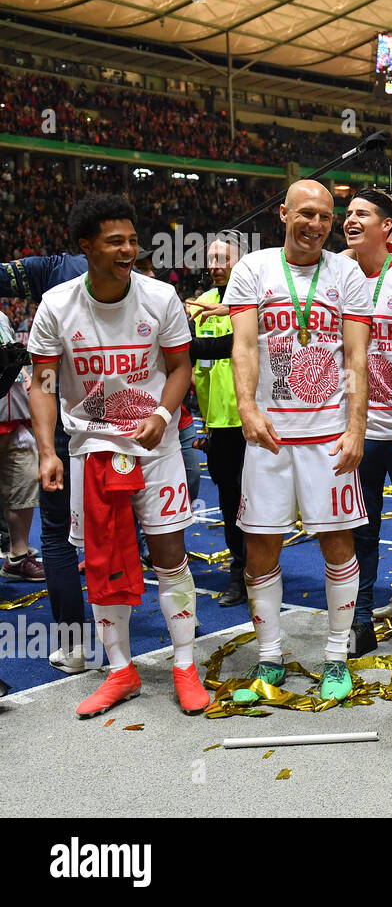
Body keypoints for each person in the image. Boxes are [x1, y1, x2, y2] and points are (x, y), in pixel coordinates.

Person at [27, 193, 208, 717]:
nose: (128, 249)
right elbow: (42, 382)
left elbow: (180, 368)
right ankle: (121, 671)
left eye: (133, 240)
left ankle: (184, 666)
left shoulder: (161, 297)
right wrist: (47, 451)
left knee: (171, 557)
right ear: (87, 247)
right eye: (115, 242)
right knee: (102, 564)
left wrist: (163, 415)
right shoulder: (57, 305)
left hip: (155, 447)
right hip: (91, 448)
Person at [224, 179, 371, 704]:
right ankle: (269, 658)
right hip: (269, 436)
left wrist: (356, 427)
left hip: (329, 435)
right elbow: (244, 347)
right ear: (283, 213)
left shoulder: (346, 271)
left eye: (325, 218)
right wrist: (246, 409)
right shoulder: (252, 269)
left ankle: (335, 657)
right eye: (305, 214)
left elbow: (357, 358)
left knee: (337, 544)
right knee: (260, 548)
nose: (315, 225)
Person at [342, 189, 392, 657]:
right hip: (357, 429)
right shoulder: (337, 277)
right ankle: (359, 622)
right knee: (361, 530)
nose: (350, 220)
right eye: (348, 213)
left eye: (361, 214)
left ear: (387, 225)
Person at [1, 252, 89, 670]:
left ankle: (75, 648)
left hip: (64, 428)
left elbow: (42, 382)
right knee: (128, 533)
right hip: (126, 430)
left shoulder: (55, 272)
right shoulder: (149, 290)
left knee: (58, 535)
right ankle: (171, 646)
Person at [187, 238, 247, 607]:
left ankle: (258, 570)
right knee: (228, 502)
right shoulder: (203, 302)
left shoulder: (252, 298)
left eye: (224, 257)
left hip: (251, 419)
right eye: (211, 258)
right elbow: (194, 349)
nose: (216, 264)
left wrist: (190, 346)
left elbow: (237, 341)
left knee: (256, 501)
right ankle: (239, 573)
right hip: (217, 424)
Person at [0, 309, 43, 581]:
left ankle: (17, 555)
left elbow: (16, 359)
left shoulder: (2, 317)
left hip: (15, 417)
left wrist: (24, 374)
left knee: (24, 483)